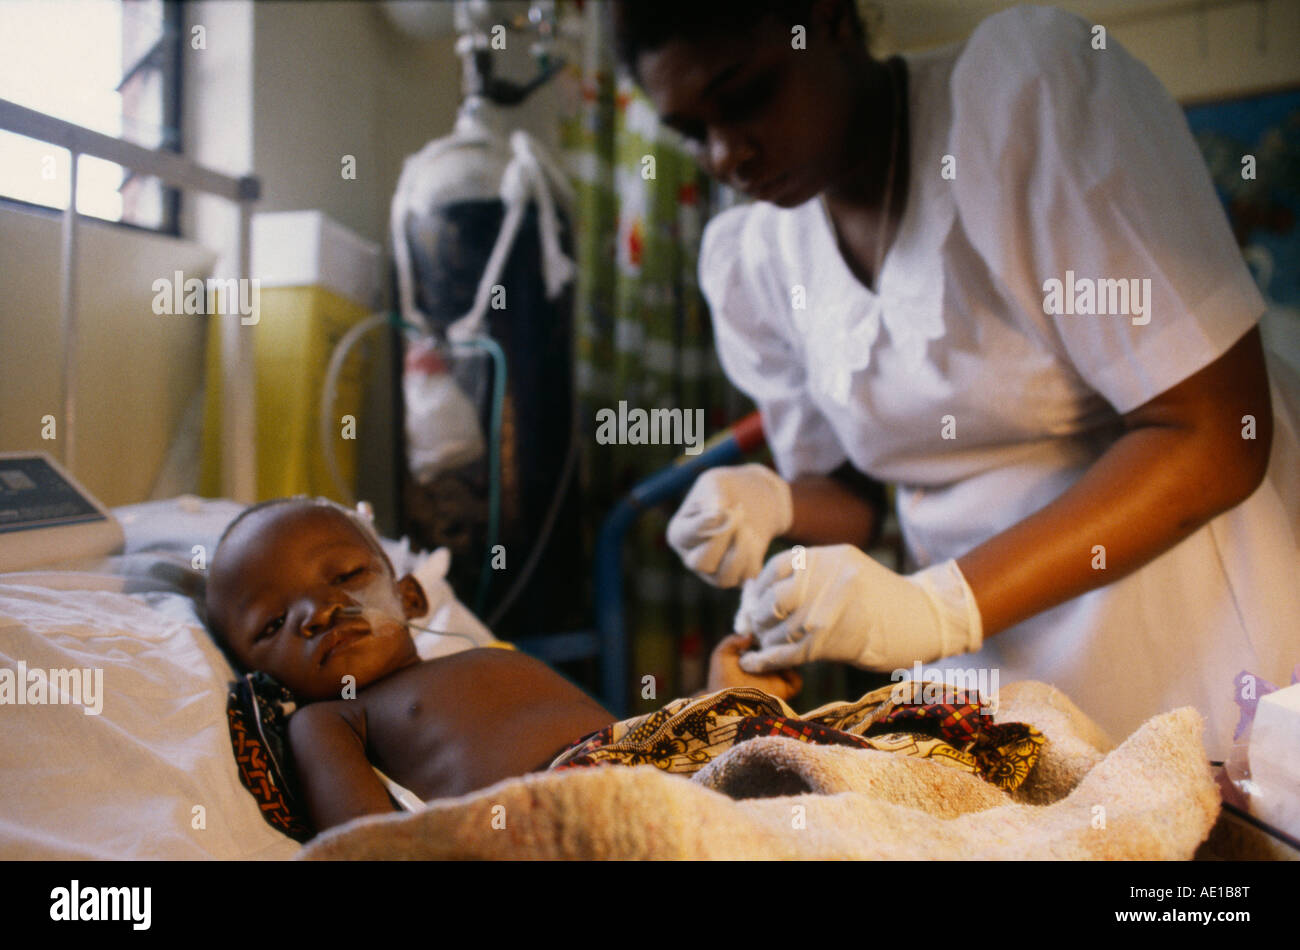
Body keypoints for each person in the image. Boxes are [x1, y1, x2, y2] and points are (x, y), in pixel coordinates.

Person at [613, 0, 1300, 760]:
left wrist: (938, 604)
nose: (724, 156)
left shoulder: (1025, 101)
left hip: (1182, 620)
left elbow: (1216, 433)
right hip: (982, 669)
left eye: (745, 96)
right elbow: (852, 503)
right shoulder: (756, 262)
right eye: (690, 132)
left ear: (830, 20)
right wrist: (772, 500)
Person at [204, 497, 808, 832]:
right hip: (566, 815)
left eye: (344, 576)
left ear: (411, 597)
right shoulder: (329, 719)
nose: (316, 611)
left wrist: (717, 708)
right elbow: (364, 844)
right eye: (272, 624)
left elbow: (634, 735)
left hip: (662, 768)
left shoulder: (488, 658)